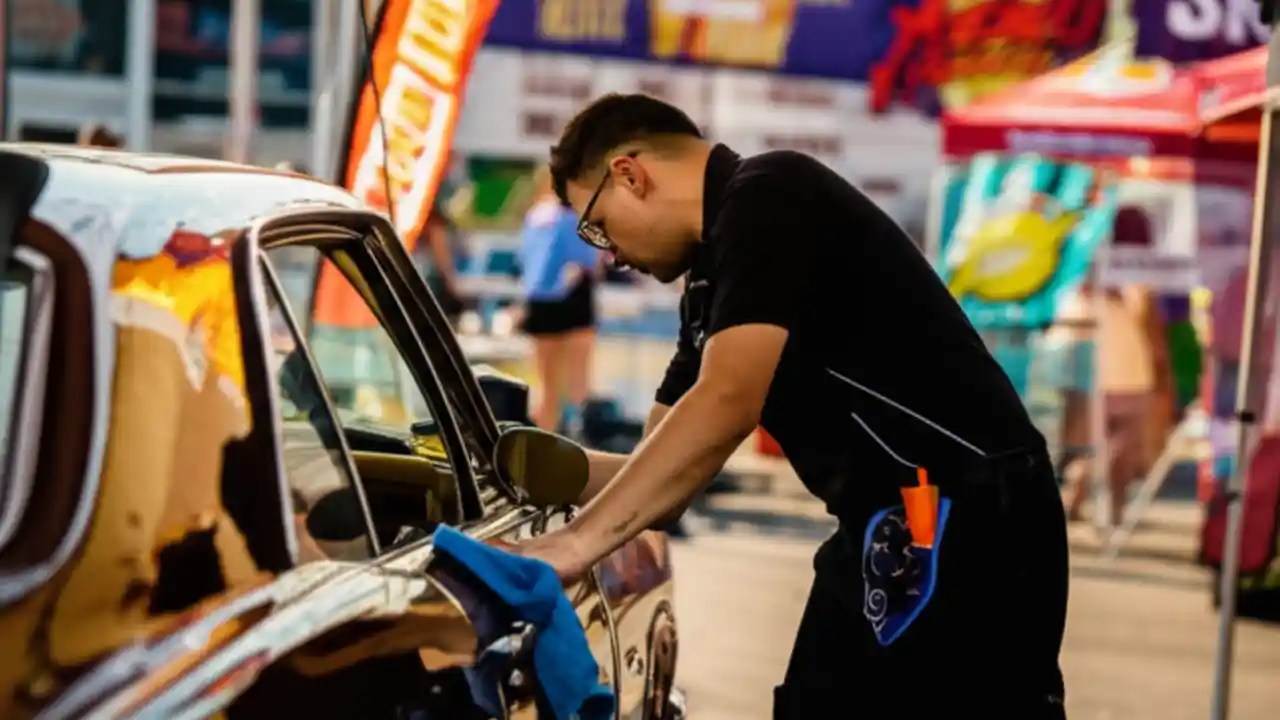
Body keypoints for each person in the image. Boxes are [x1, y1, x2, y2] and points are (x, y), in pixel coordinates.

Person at [508, 94, 1069, 718]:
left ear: (630, 174)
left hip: (970, 512)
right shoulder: (710, 279)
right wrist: (525, 463)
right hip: (889, 519)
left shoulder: (769, 193)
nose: (606, 253)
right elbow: (662, 478)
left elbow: (727, 401)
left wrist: (573, 546)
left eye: (596, 225)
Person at [517, 166, 602, 434]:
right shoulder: (578, 218)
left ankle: (542, 440)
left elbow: (524, 260)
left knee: (546, 384)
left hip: (538, 300)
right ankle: (579, 442)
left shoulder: (535, 217)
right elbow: (590, 262)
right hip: (573, 297)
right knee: (578, 380)